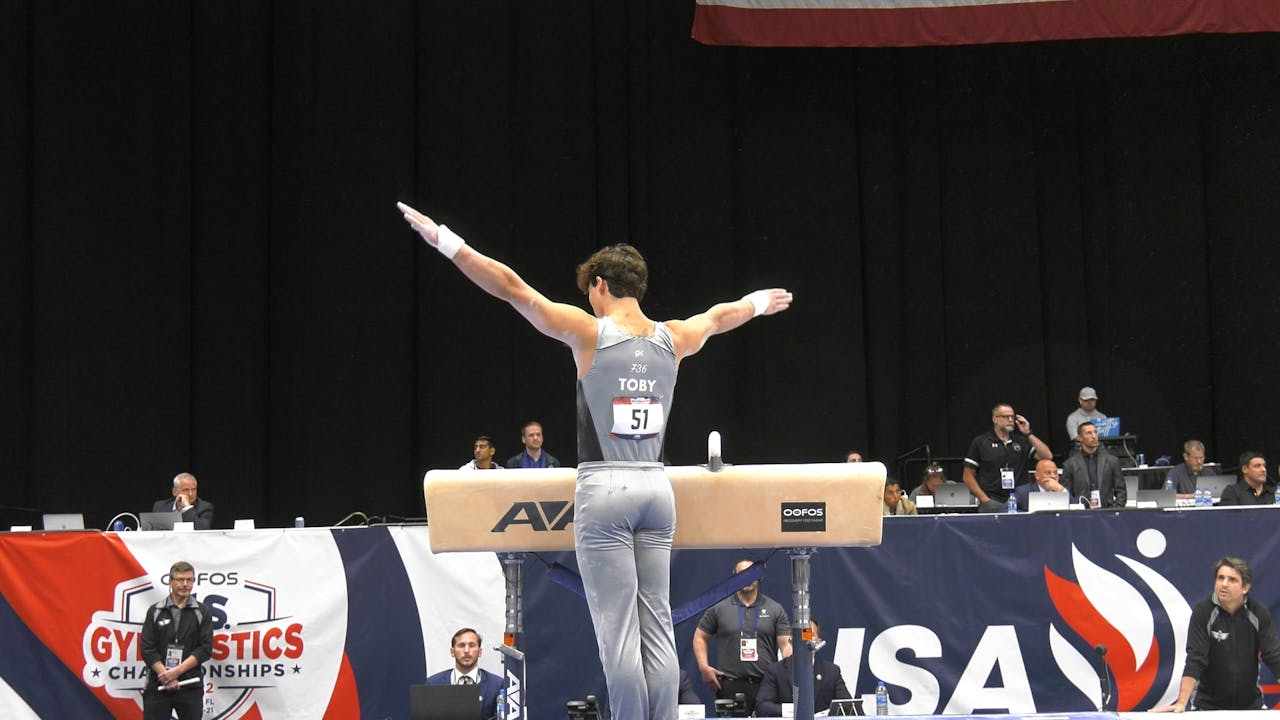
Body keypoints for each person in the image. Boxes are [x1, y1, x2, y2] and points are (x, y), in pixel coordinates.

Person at [399, 202, 792, 720]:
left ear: (601, 285)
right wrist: (760, 301)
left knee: (619, 633)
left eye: (590, 291)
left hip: (606, 492)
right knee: (655, 624)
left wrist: (445, 241)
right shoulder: (673, 337)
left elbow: (512, 288)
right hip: (656, 489)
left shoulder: (589, 333)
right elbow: (722, 316)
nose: (589, 299)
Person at [1155, 557, 1280, 711]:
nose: (1224, 584)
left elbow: (1274, 657)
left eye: (1232, 580)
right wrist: (1181, 703)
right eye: (1221, 578)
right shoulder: (1203, 612)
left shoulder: (1258, 613)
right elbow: (1196, 659)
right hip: (1207, 708)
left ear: (1245, 588)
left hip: (1251, 707)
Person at [693, 560, 794, 715]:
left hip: (766, 685)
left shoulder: (774, 608)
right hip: (730, 684)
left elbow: (785, 644)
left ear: (759, 576)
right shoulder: (719, 607)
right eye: (742, 575)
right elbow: (700, 636)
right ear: (734, 577)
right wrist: (703, 667)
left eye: (751, 574)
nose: (746, 579)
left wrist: (787, 671)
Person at [140, 561, 213, 720]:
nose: (185, 584)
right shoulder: (156, 610)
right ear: (170, 581)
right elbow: (147, 648)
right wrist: (165, 674)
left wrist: (176, 672)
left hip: (190, 684)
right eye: (180, 579)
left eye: (189, 580)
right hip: (158, 683)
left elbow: (205, 648)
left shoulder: (202, 612)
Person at [754, 618, 852, 717]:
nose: (806, 639)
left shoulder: (832, 671)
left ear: (819, 641)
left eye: (811, 634)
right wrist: (794, 710)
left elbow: (847, 705)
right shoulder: (775, 671)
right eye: (801, 634)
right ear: (791, 640)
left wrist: (829, 713)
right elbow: (762, 707)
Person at [962, 404, 1051, 507]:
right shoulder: (982, 442)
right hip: (993, 499)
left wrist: (1028, 434)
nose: (1010, 420)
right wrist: (984, 499)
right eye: (1005, 417)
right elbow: (967, 475)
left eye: (1012, 417)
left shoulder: (1021, 442)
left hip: (1021, 498)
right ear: (995, 419)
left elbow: (1047, 457)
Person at [425, 628, 504, 719]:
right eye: (461, 645)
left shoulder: (497, 685)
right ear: (452, 652)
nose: (466, 650)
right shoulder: (433, 684)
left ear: (479, 652)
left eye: (472, 645)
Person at [1060, 421, 1126, 508]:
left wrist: (1116, 510)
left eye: (1095, 432)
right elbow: (1066, 492)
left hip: (1107, 512)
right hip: (1081, 514)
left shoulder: (1112, 461)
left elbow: (1121, 490)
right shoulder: (1070, 464)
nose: (1094, 436)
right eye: (1089, 433)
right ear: (1080, 438)